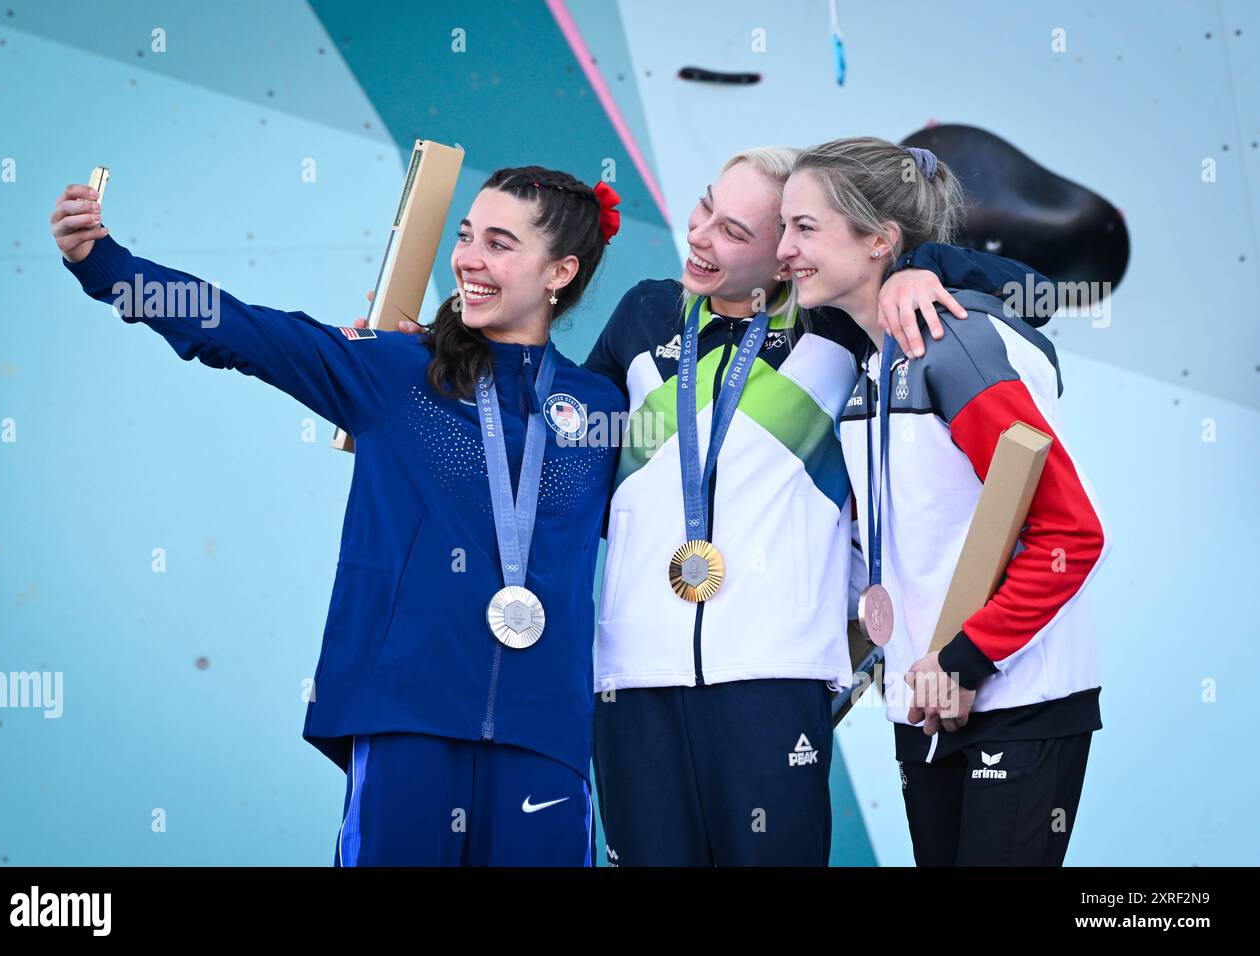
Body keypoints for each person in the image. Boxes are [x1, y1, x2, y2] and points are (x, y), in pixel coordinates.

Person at [388, 146, 1056, 865]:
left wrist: (932, 268)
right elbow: (556, 430)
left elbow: (1037, 297)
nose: (700, 236)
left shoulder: (833, 325)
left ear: (787, 257)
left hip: (774, 674)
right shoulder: (646, 312)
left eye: (736, 232)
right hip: (634, 674)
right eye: (705, 207)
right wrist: (438, 367)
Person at [51, 166, 627, 866]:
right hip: (405, 715)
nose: (469, 258)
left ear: (560, 270)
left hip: (545, 732)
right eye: (467, 236)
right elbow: (240, 330)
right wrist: (105, 264)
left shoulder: (601, 410)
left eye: (500, 244)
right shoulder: (396, 372)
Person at [777, 136, 1108, 865]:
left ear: (879, 241)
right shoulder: (868, 358)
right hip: (926, 705)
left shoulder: (956, 344)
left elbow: (1070, 534)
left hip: (1016, 703)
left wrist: (965, 661)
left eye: (804, 228)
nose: (783, 249)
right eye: (781, 227)